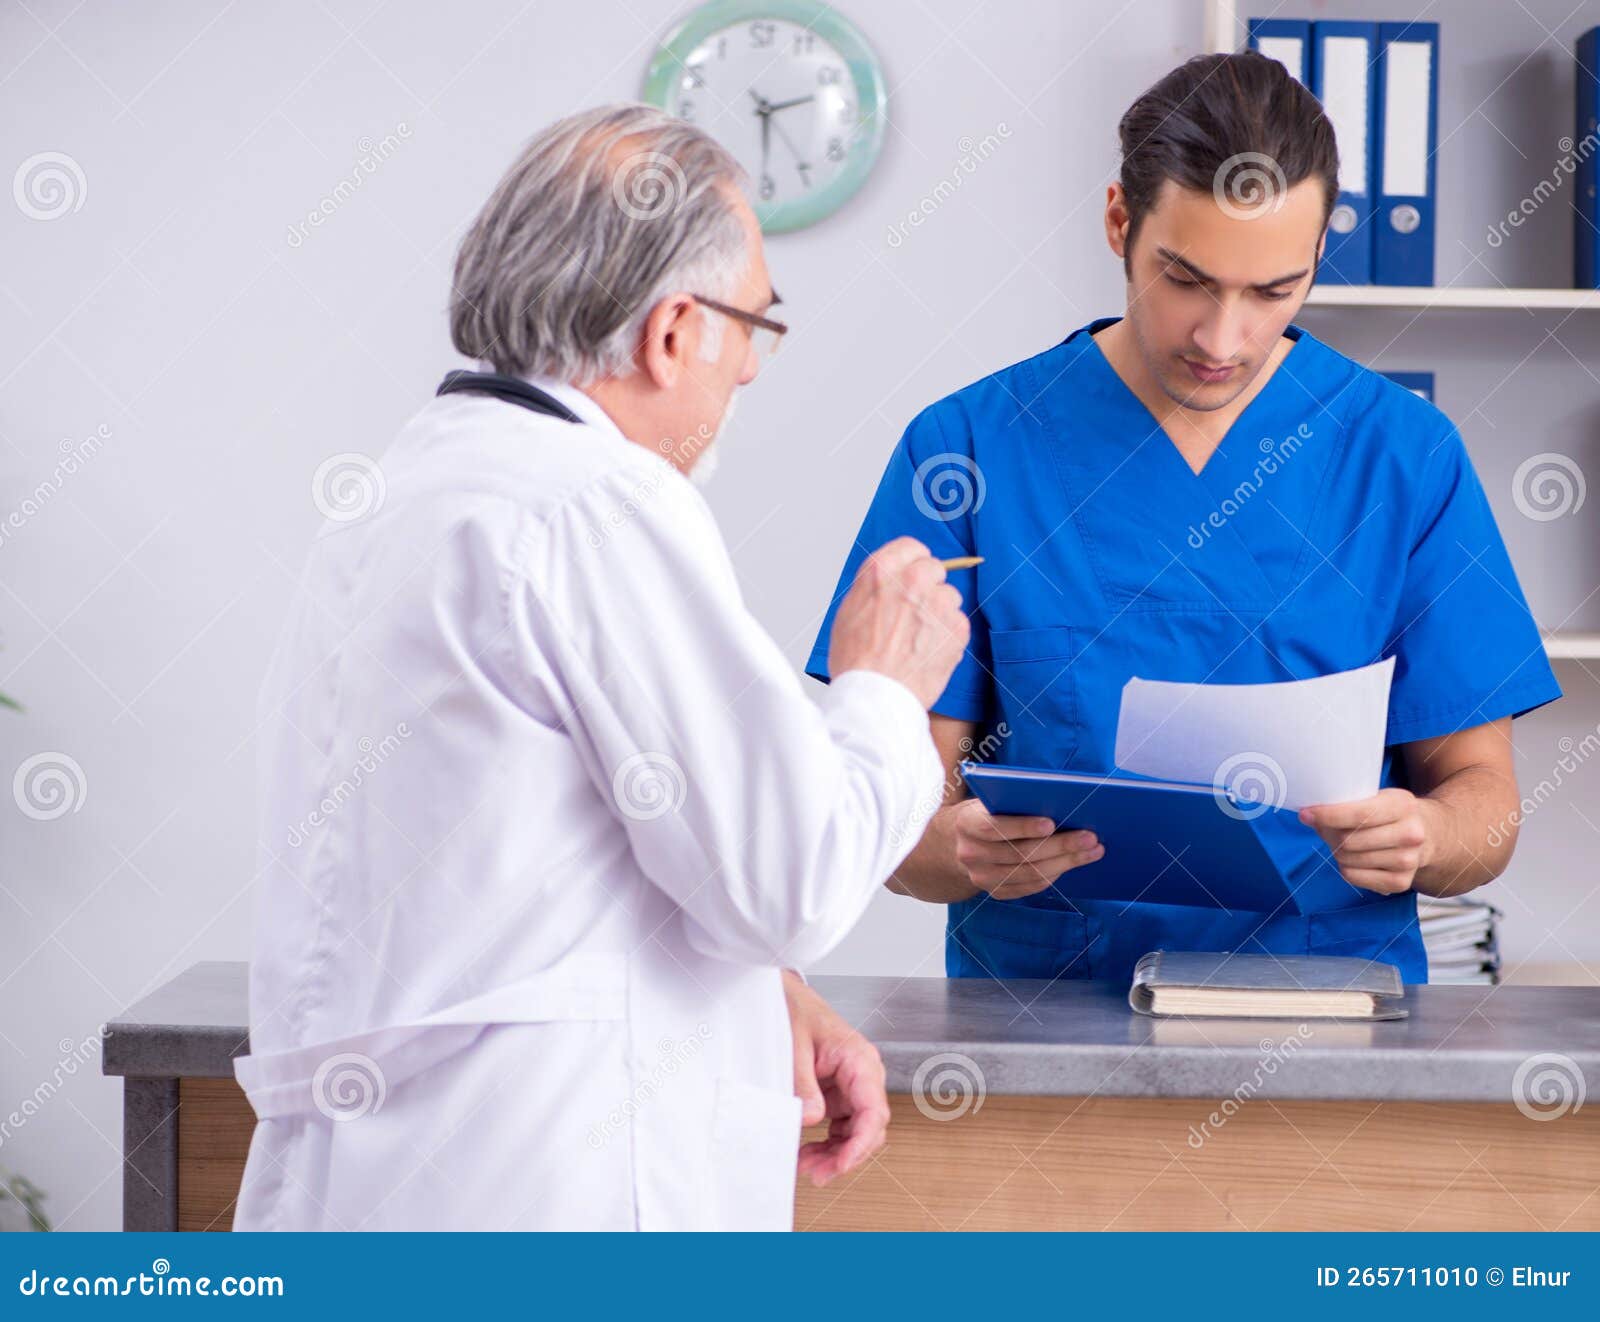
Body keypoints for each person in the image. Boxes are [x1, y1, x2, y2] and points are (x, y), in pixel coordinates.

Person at [232, 104, 969, 1231]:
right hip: (537, 1183)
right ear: (676, 331)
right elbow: (793, 876)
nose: (752, 374)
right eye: (755, 327)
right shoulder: (596, 503)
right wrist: (884, 684)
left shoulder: (406, 493)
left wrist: (759, 990)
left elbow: (513, 862)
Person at [808, 52, 1561, 985]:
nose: (1222, 339)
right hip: (1041, 1026)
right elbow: (894, 812)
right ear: (1120, 220)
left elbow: (1486, 806)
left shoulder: (1403, 456)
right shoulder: (965, 451)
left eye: (1271, 292)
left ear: (1321, 252)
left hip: (1329, 1018)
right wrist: (951, 847)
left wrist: (1431, 834)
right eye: (1186, 279)